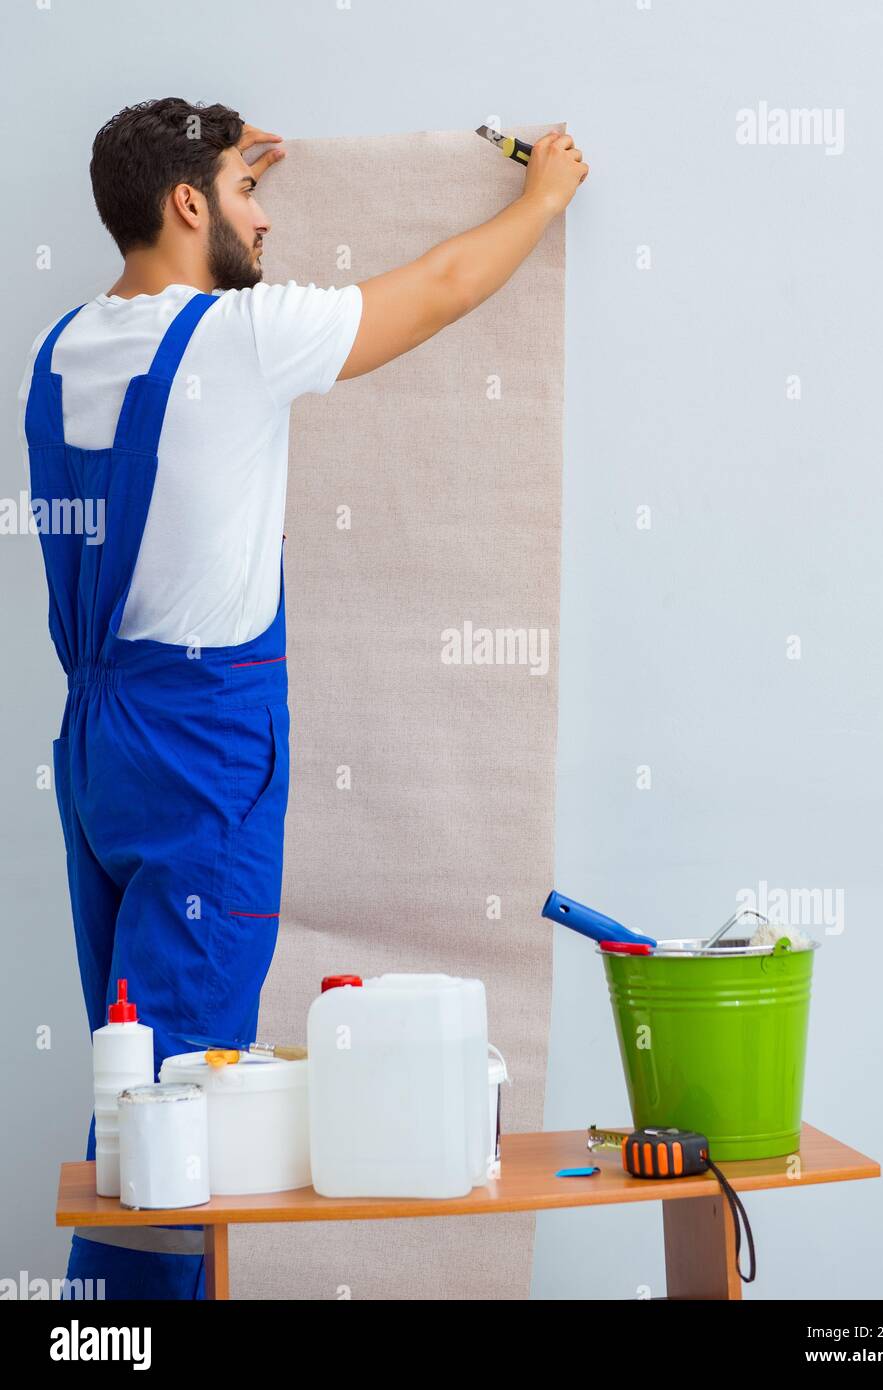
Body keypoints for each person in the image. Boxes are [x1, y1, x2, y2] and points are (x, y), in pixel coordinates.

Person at [18, 98, 587, 1300]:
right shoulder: (239, 338)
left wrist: (211, 167)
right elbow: (434, 287)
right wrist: (542, 198)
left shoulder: (63, 348)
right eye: (244, 193)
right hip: (199, 751)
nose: (265, 217)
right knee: (172, 1107)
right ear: (187, 207)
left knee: (137, 1081)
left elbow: (196, 254)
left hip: (96, 749)